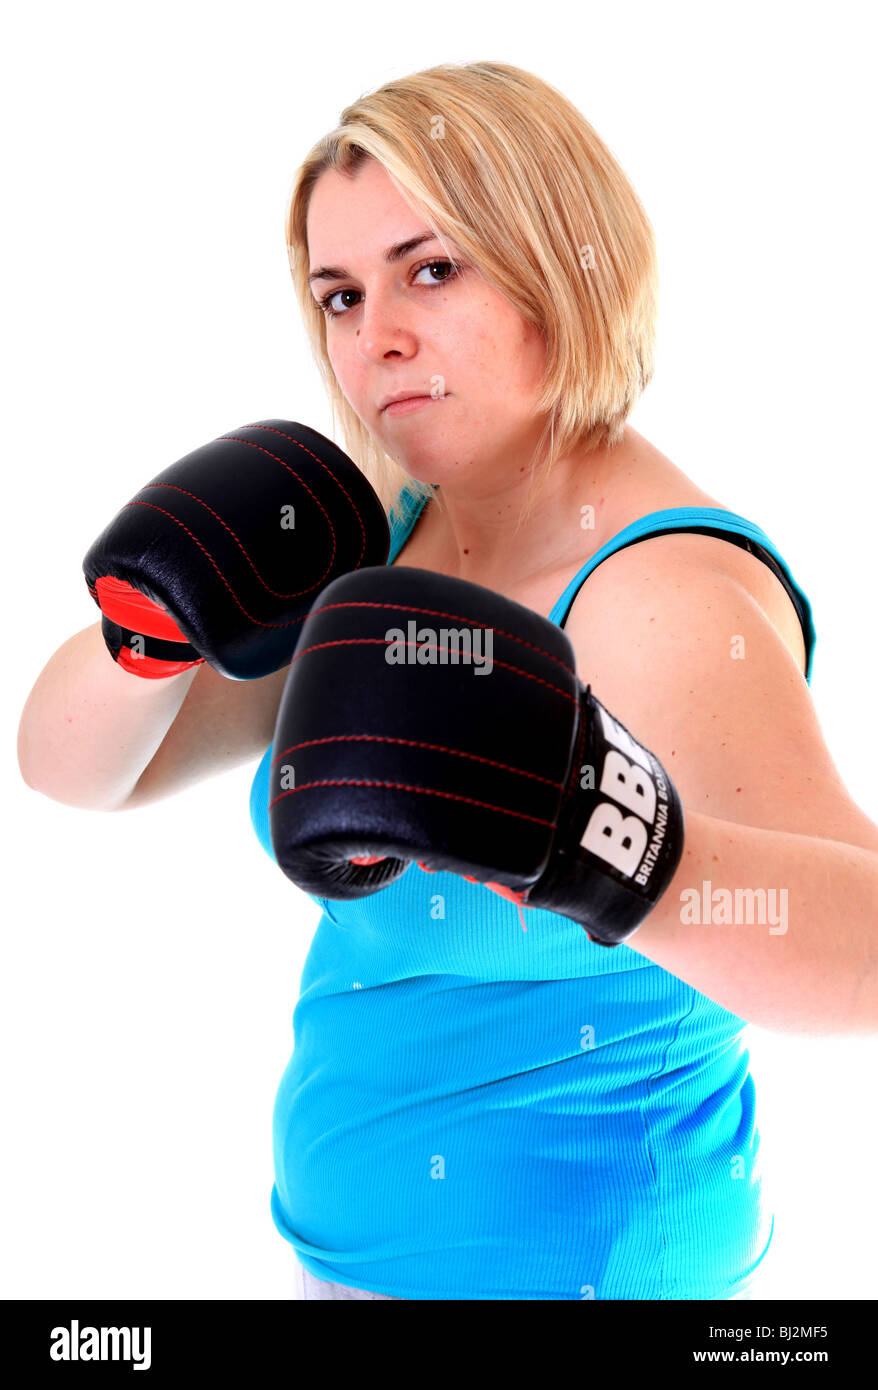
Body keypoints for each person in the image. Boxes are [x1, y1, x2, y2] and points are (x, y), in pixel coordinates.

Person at [19, 60, 878, 1302]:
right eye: (338, 293)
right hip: (352, 1262)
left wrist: (621, 854)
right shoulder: (378, 531)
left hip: (588, 1274)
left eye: (431, 268)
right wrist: (148, 633)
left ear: (561, 263)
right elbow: (73, 768)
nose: (379, 339)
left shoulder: (658, 590)